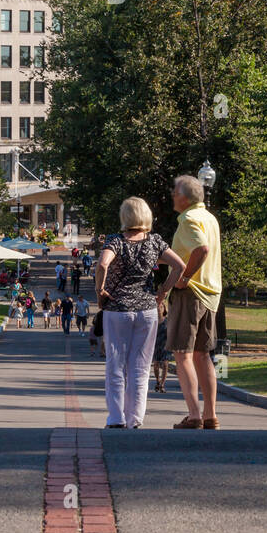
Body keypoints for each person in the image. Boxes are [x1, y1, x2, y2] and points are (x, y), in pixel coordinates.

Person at [96, 196, 185, 429]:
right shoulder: (155, 241)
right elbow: (179, 266)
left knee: (116, 364)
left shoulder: (115, 241)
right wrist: (163, 290)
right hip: (147, 309)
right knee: (141, 366)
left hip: (118, 309)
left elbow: (103, 264)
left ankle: (116, 418)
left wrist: (100, 290)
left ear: (125, 216)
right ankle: (135, 419)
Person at [165, 175, 223, 430]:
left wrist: (185, 277)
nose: (172, 196)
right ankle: (210, 415)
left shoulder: (188, 219)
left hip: (191, 293)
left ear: (184, 197)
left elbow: (201, 249)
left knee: (182, 354)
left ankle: (194, 415)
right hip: (211, 294)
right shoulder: (210, 218)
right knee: (203, 355)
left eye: (175, 192)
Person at [152, 307, 169, 393]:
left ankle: (162, 384)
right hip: (155, 345)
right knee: (156, 365)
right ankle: (157, 380)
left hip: (165, 345)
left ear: (164, 309)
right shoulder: (153, 320)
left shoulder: (167, 321)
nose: (159, 309)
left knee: (165, 365)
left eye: (161, 307)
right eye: (158, 307)